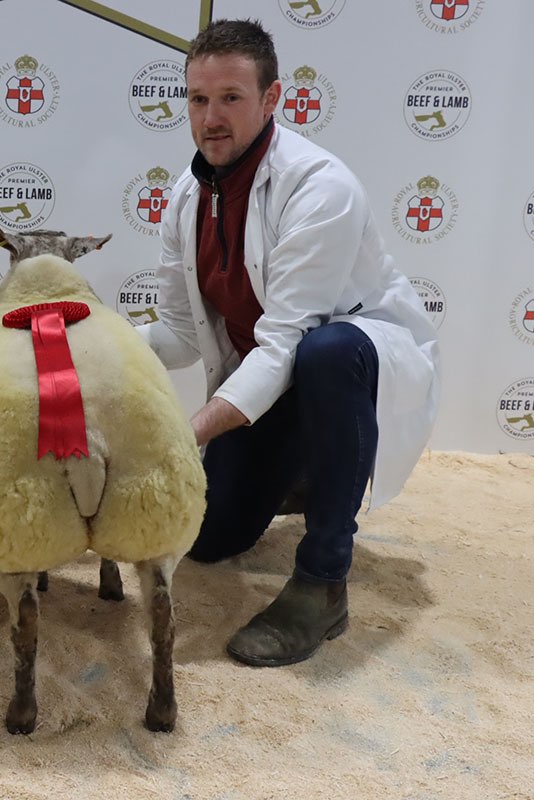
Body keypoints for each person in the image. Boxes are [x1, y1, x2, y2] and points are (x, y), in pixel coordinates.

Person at [138, 19, 440, 666]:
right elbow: (182, 334)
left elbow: (282, 345)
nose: (210, 118)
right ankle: (308, 473)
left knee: (325, 352)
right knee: (211, 540)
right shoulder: (185, 196)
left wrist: (180, 436)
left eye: (231, 98)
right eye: (197, 99)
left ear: (273, 99)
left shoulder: (320, 186)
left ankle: (323, 578)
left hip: (347, 368)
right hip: (274, 379)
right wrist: (87, 345)